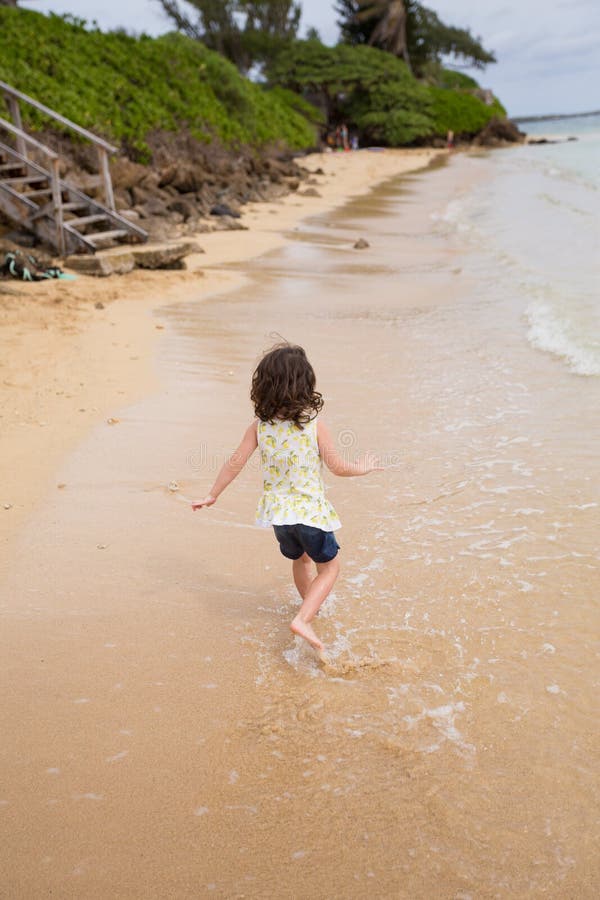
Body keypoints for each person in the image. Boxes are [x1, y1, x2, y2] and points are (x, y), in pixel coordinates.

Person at [192, 342, 381, 653]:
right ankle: (304, 618)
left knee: (300, 559)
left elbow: (234, 463)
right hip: (310, 515)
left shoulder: (259, 428)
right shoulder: (315, 427)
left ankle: (310, 610)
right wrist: (362, 469)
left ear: (264, 386)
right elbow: (337, 468)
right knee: (330, 568)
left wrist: (212, 495)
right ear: (305, 385)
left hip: (280, 518)